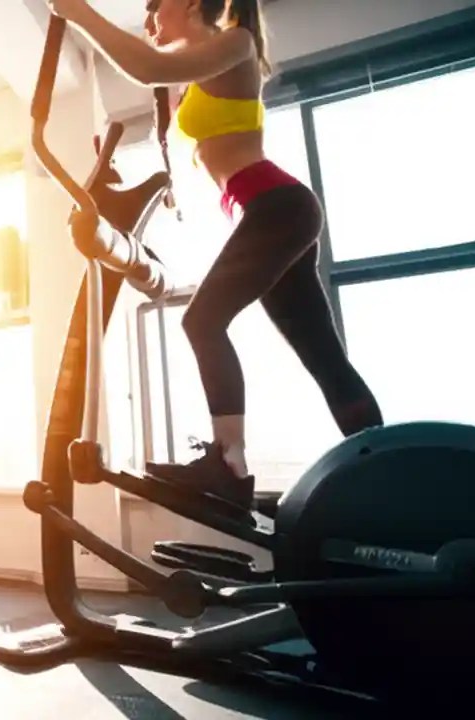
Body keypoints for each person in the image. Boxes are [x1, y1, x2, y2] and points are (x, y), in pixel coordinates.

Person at [47, 0, 383, 510]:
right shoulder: (202, 62)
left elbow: (147, 65)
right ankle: (383, 475)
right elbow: (164, 83)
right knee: (324, 358)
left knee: (202, 322)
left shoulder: (235, 43)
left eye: (156, 10)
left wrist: (80, 13)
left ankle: (231, 464)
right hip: (268, 209)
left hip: (277, 205)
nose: (151, 23)